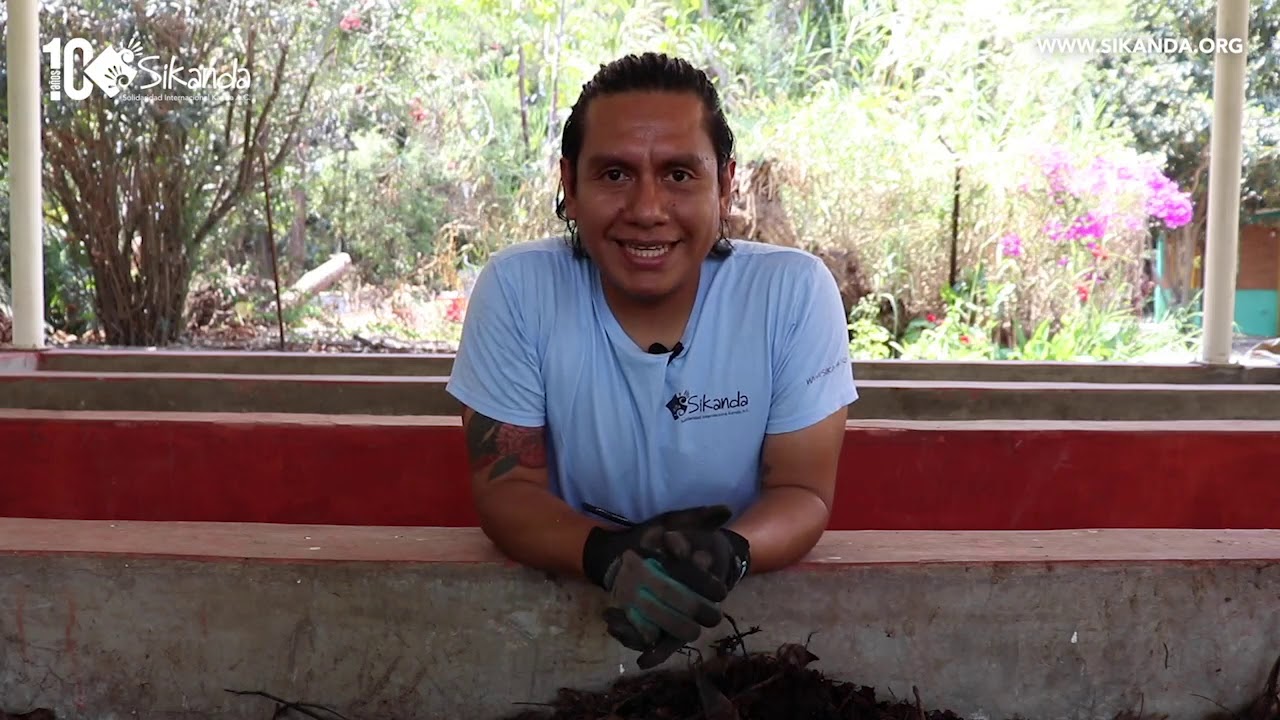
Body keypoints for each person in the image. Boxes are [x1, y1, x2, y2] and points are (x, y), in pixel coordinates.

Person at [446, 52, 857, 668]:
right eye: (614, 174)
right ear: (569, 184)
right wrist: (607, 555)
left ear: (725, 182)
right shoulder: (517, 291)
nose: (646, 209)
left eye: (679, 175)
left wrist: (729, 553)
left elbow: (802, 490)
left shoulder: (792, 294)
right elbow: (508, 491)